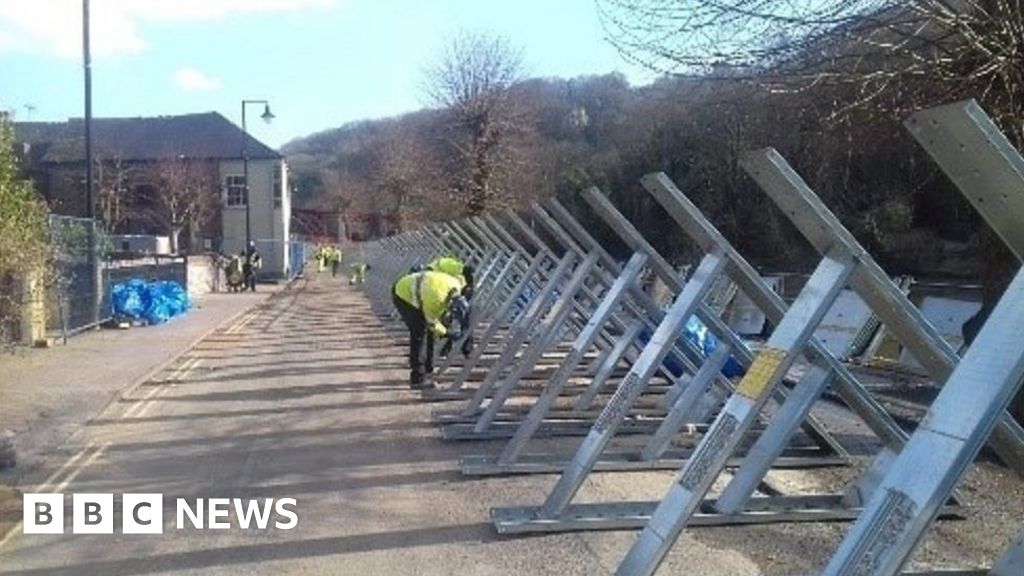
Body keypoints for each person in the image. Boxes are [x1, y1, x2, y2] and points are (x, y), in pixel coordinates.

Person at [392, 270, 469, 389]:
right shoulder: (436, 299)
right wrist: (447, 333)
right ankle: (417, 377)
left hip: (418, 287)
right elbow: (432, 323)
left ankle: (429, 366)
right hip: (403, 294)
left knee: (430, 331)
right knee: (418, 332)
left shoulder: (456, 285)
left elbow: (461, 279)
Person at [426, 256, 475, 357]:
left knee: (462, 319)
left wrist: (467, 288)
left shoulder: (443, 263)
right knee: (446, 320)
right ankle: (445, 349)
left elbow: (467, 269)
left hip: (462, 290)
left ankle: (467, 348)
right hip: (449, 293)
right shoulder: (430, 276)